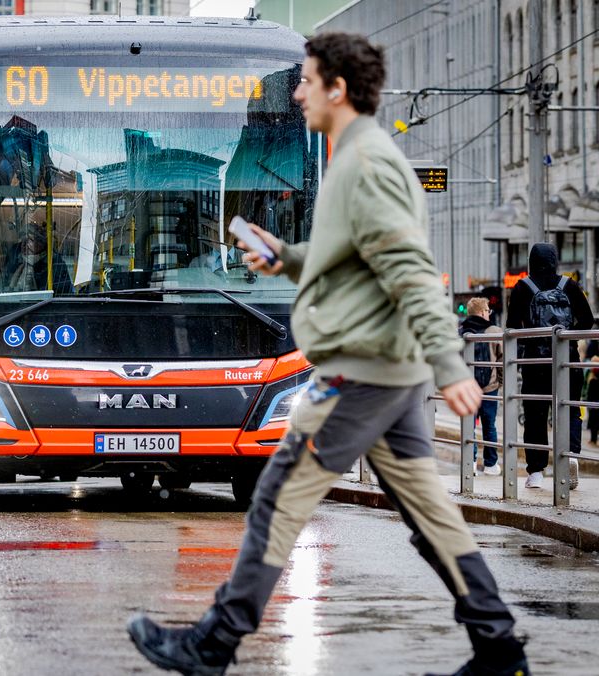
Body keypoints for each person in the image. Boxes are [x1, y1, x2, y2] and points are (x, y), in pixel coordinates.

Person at [126, 33, 527, 676]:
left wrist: (453, 367)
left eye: (308, 80)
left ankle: (213, 644)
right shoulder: (357, 159)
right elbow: (356, 258)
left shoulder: (367, 165)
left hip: (360, 374)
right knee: (430, 512)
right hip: (386, 374)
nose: (297, 90)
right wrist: (283, 255)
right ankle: (499, 649)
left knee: (277, 498)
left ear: (337, 89)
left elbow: (412, 271)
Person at [505, 243, 594, 490]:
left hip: (536, 363)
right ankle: (571, 456)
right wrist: (565, 336)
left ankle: (535, 472)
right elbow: (587, 320)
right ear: (556, 260)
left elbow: (512, 326)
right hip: (567, 361)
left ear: (531, 260)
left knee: (535, 415)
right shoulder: (570, 285)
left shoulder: (523, 287)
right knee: (570, 409)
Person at [460, 297, 503, 476]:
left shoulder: (461, 332)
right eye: (487, 311)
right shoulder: (494, 331)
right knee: (489, 425)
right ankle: (491, 465)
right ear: (482, 312)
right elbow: (502, 359)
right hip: (489, 387)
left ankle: (469, 464)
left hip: (467, 387)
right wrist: (499, 381)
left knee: (469, 425)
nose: (488, 314)